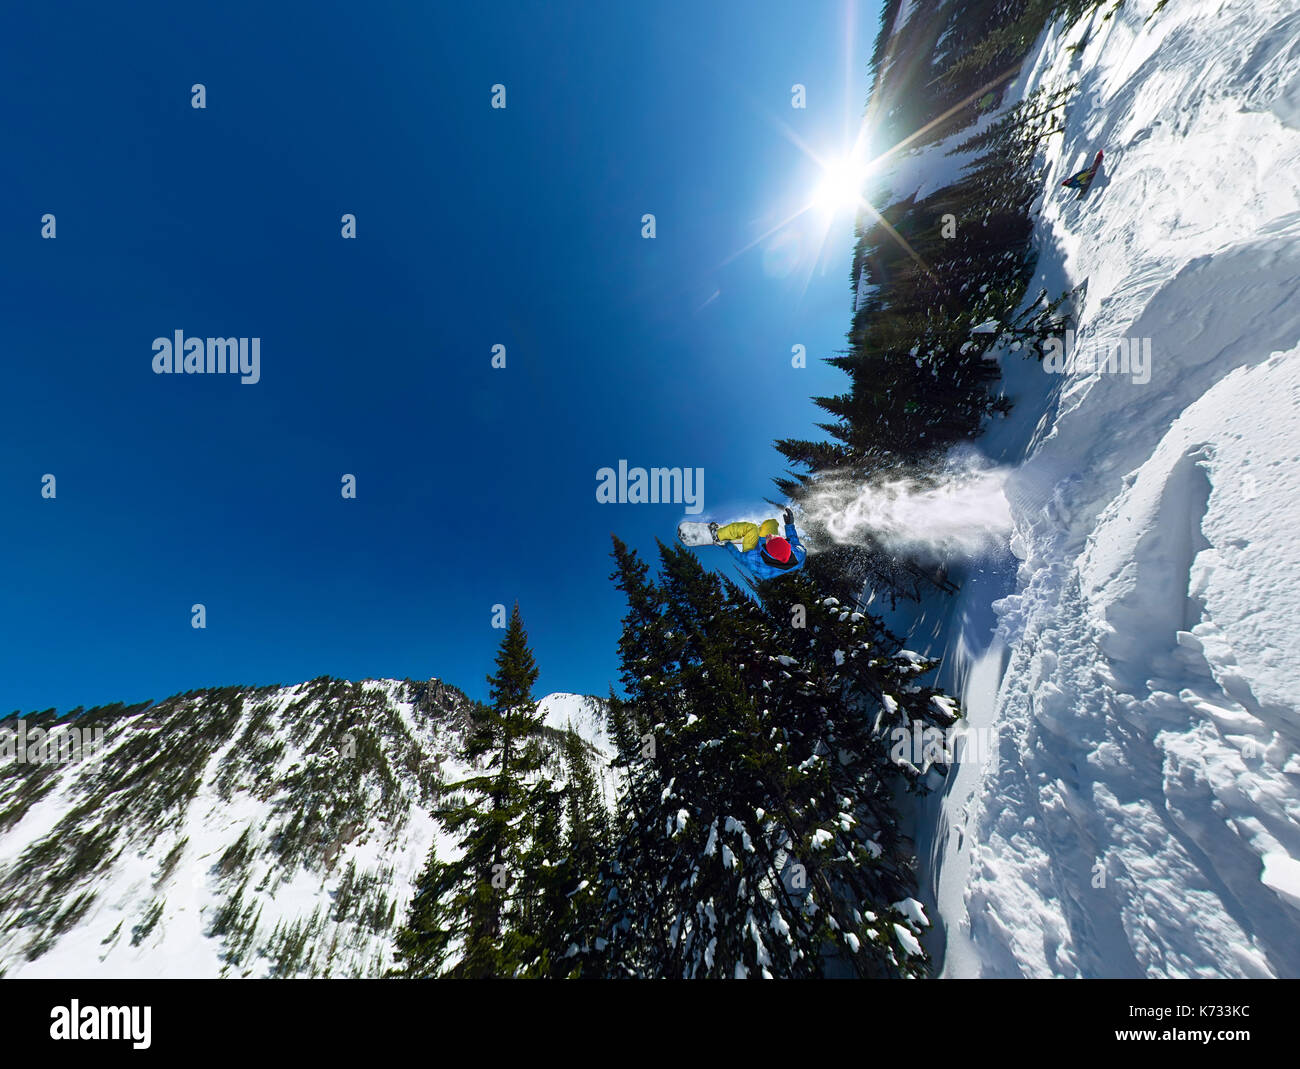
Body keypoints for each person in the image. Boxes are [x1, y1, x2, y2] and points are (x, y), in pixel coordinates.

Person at [711, 508, 806, 580]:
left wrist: (727, 545)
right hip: (772, 555)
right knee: (771, 523)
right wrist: (789, 525)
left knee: (751, 528)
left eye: (770, 538)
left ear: (768, 549)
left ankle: (718, 535)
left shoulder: (754, 559)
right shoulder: (799, 553)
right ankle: (759, 532)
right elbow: (794, 541)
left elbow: (740, 557)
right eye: (776, 537)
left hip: (759, 561)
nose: (770, 535)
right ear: (787, 545)